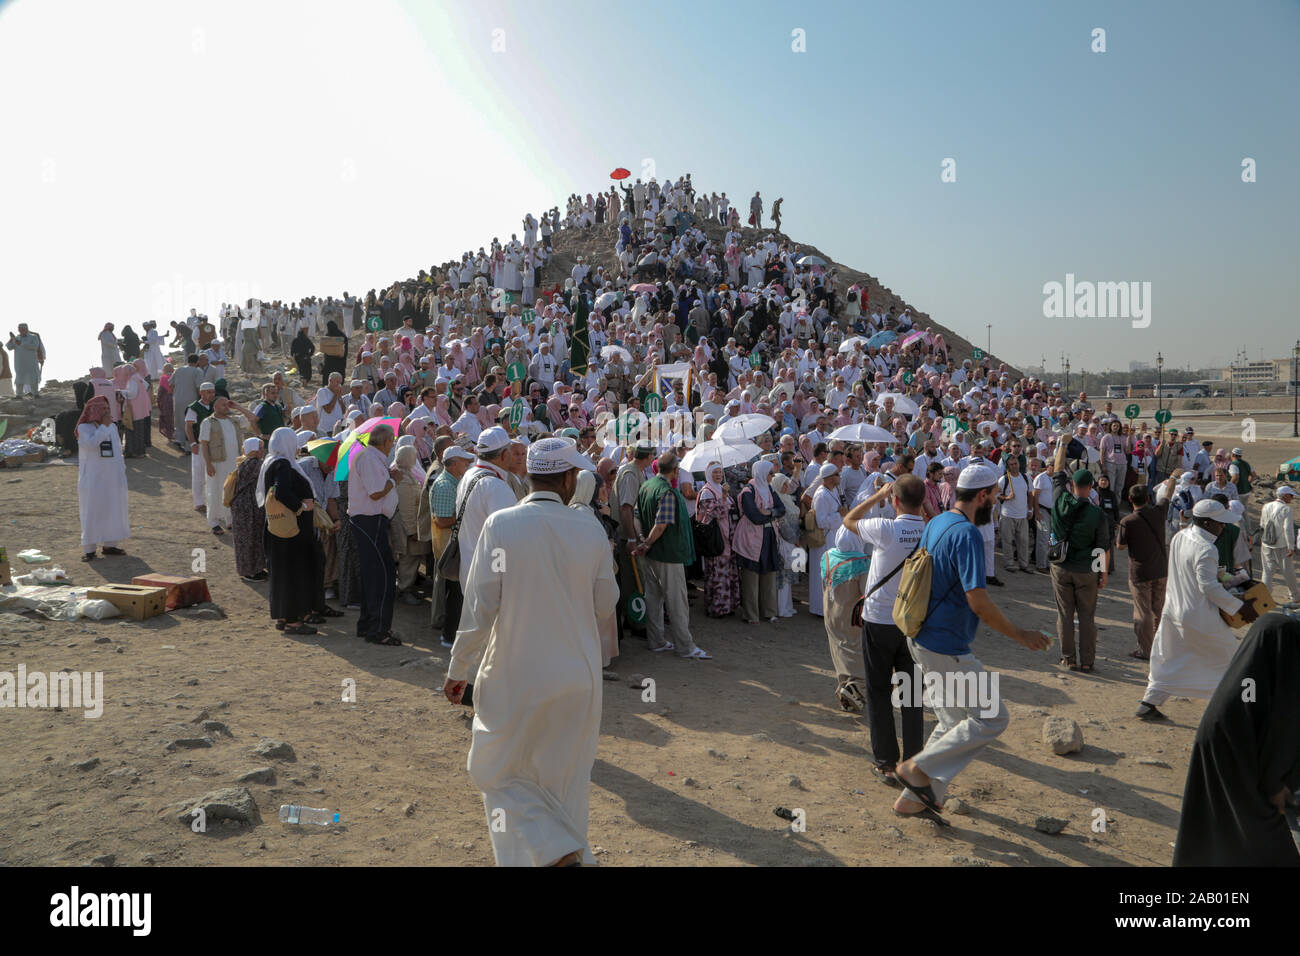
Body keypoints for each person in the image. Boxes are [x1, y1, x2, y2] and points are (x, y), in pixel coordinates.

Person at [443, 436, 618, 867]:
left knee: (492, 772)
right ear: (568, 478)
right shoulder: (589, 529)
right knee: (563, 782)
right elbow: (605, 604)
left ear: (533, 474)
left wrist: (458, 667)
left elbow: (481, 607)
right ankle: (567, 853)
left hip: (515, 674)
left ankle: (558, 855)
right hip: (578, 677)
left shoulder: (502, 525)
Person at [891, 463, 1050, 823]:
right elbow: (978, 600)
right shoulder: (968, 535)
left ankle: (912, 798)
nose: (995, 499)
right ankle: (915, 767)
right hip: (947, 646)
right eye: (994, 494)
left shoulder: (937, 522)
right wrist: (1020, 634)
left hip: (924, 639)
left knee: (952, 722)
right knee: (993, 717)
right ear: (983, 496)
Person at [1172, 613, 1300, 866]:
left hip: (1223, 748)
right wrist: (1276, 784)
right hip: (1243, 761)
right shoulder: (1284, 680)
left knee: (1215, 823)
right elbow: (1283, 733)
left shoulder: (1246, 677)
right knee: (1263, 838)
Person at [1136, 498, 1260, 721]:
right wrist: (1240, 607)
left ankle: (1149, 702)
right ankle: (1245, 707)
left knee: (1168, 658)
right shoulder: (1207, 549)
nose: (1223, 527)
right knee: (1233, 659)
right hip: (1200, 616)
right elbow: (1209, 587)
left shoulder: (1179, 537)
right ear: (1207, 523)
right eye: (1220, 523)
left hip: (1173, 611)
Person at [846, 474, 927, 783]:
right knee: (910, 696)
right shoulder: (931, 531)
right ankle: (913, 763)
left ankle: (885, 762)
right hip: (914, 622)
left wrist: (876, 496)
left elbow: (849, 520)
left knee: (879, 691)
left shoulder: (886, 528)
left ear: (894, 500)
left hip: (880, 619)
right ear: (922, 501)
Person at [634, 452, 710, 659]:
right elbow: (661, 525)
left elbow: (637, 517)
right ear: (676, 471)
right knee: (677, 602)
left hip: (652, 554)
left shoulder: (646, 486)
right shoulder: (667, 492)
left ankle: (656, 641)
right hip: (667, 554)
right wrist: (647, 543)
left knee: (653, 599)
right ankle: (685, 647)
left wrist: (642, 541)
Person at [1048, 440, 1110, 673]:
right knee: (1086, 617)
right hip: (1086, 569)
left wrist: (1063, 445)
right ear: (1092, 486)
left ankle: (1068, 658)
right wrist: (1102, 573)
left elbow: (1057, 471)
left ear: (1071, 484)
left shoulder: (1059, 500)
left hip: (1061, 565)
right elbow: (1102, 547)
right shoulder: (1097, 513)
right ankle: (1087, 661)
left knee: (1064, 615)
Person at [257, 427, 320, 635]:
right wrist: (301, 506)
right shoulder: (283, 464)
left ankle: (284, 616)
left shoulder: (272, 462)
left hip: (277, 529)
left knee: (282, 573)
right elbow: (281, 491)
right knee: (292, 573)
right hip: (290, 532)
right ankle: (293, 620)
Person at [348, 422, 402, 645]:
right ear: (386, 441)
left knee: (374, 575)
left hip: (372, 521)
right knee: (382, 576)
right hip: (370, 521)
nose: (393, 445)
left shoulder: (371, 458)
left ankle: (369, 625)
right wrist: (392, 480)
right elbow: (376, 492)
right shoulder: (370, 459)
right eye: (392, 440)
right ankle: (378, 630)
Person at [1116, 478, 1173, 661]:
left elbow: (1120, 546)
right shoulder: (1158, 512)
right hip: (1160, 569)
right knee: (1159, 609)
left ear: (1130, 500)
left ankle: (1146, 650)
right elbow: (1167, 495)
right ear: (1148, 498)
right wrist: (1172, 477)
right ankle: (1160, 646)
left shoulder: (1128, 521)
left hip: (1140, 572)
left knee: (1143, 612)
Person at [75, 396, 130, 562]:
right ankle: (90, 549)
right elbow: (91, 445)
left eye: (108, 409)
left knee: (112, 508)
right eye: (103, 410)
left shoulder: (112, 426)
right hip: (93, 477)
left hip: (112, 476)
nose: (107, 412)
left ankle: (110, 545)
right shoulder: (84, 428)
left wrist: (121, 472)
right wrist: (104, 427)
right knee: (92, 510)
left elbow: (117, 451)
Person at [431, 444, 475, 647]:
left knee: (457, 591)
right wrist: (468, 514)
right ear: (454, 463)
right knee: (454, 593)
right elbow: (441, 520)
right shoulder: (444, 485)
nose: (467, 464)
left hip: (455, 545)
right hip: (450, 547)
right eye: (464, 461)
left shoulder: (453, 482)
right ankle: (448, 635)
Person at [732, 459, 786, 623]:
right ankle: (751, 614)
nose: (772, 476)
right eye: (770, 473)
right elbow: (754, 517)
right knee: (751, 577)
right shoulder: (748, 491)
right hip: (751, 539)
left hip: (768, 537)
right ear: (762, 473)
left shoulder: (769, 488)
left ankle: (769, 612)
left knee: (769, 574)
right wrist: (771, 514)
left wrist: (768, 513)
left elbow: (781, 509)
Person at [199, 395, 256, 535]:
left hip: (234, 463)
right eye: (223, 404)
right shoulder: (208, 422)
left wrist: (237, 406)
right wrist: (208, 464)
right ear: (215, 407)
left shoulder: (234, 420)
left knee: (232, 491)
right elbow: (204, 444)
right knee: (215, 491)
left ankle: (229, 519)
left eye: (227, 404)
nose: (226, 406)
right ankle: (214, 522)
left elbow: (253, 418)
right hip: (217, 463)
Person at [694, 461, 740, 617]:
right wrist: (725, 496)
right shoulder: (707, 492)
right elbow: (717, 513)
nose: (718, 475)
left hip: (728, 538)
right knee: (717, 573)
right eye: (715, 472)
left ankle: (728, 605)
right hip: (716, 539)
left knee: (728, 573)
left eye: (720, 472)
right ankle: (718, 607)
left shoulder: (720, 488)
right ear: (708, 474)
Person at [229, 436, 267, 581]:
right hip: (245, 508)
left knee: (255, 538)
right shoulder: (252, 463)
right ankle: (248, 572)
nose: (263, 450)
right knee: (247, 540)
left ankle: (256, 569)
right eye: (260, 448)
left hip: (251, 507)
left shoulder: (248, 462)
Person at [1259, 486, 1297, 605]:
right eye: (1291, 495)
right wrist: (1291, 546)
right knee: (1288, 571)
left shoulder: (1266, 506)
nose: (1292, 498)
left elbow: (1262, 524)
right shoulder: (1286, 509)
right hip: (1281, 545)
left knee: (1267, 571)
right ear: (1284, 495)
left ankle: (1264, 597)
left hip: (1267, 542)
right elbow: (1287, 529)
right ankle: (1295, 595)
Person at [996, 453, 1031, 573]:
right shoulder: (1004, 479)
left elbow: (1030, 494)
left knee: (1024, 542)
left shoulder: (1026, 477)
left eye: (1015, 463)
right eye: (1011, 464)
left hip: (1022, 515)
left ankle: (1024, 564)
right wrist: (1007, 497)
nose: (1014, 466)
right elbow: (997, 496)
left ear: (1019, 464)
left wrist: (1030, 509)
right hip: (1007, 515)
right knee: (1007, 541)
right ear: (1008, 466)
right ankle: (1009, 563)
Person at [7, 323, 45, 398]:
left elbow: (35, 346)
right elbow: (9, 347)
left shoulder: (33, 337)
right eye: (20, 329)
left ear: (26, 329)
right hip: (20, 363)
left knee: (33, 378)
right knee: (19, 379)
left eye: (23, 329)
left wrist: (21, 343)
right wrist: (11, 339)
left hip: (31, 362)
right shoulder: (17, 338)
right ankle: (19, 395)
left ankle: (35, 394)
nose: (21, 330)